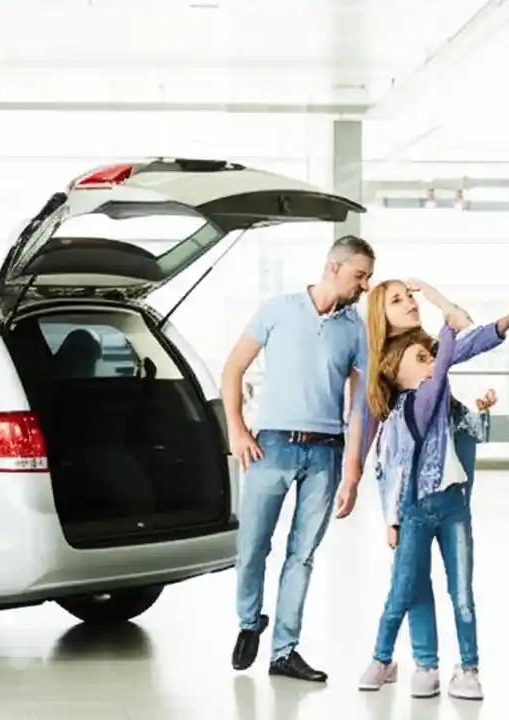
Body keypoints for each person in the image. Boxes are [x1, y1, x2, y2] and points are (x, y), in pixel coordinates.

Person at [361, 285, 509, 701]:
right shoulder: (397, 381)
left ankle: (457, 667)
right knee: (411, 587)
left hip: (451, 503)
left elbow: (464, 346)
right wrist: (386, 514)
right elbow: (386, 463)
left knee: (453, 590)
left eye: (411, 297)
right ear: (380, 317)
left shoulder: (426, 357)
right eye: (398, 300)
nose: (410, 303)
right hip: (413, 505)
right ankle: (415, 663)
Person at [221, 234, 376, 682]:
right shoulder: (278, 310)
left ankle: (284, 650)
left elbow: (360, 402)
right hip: (272, 446)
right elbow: (234, 368)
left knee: (302, 555)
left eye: (368, 278)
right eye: (359, 275)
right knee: (252, 546)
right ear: (334, 267)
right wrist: (236, 430)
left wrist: (352, 473)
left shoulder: (354, 329)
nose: (364, 286)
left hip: (325, 454)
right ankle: (250, 622)